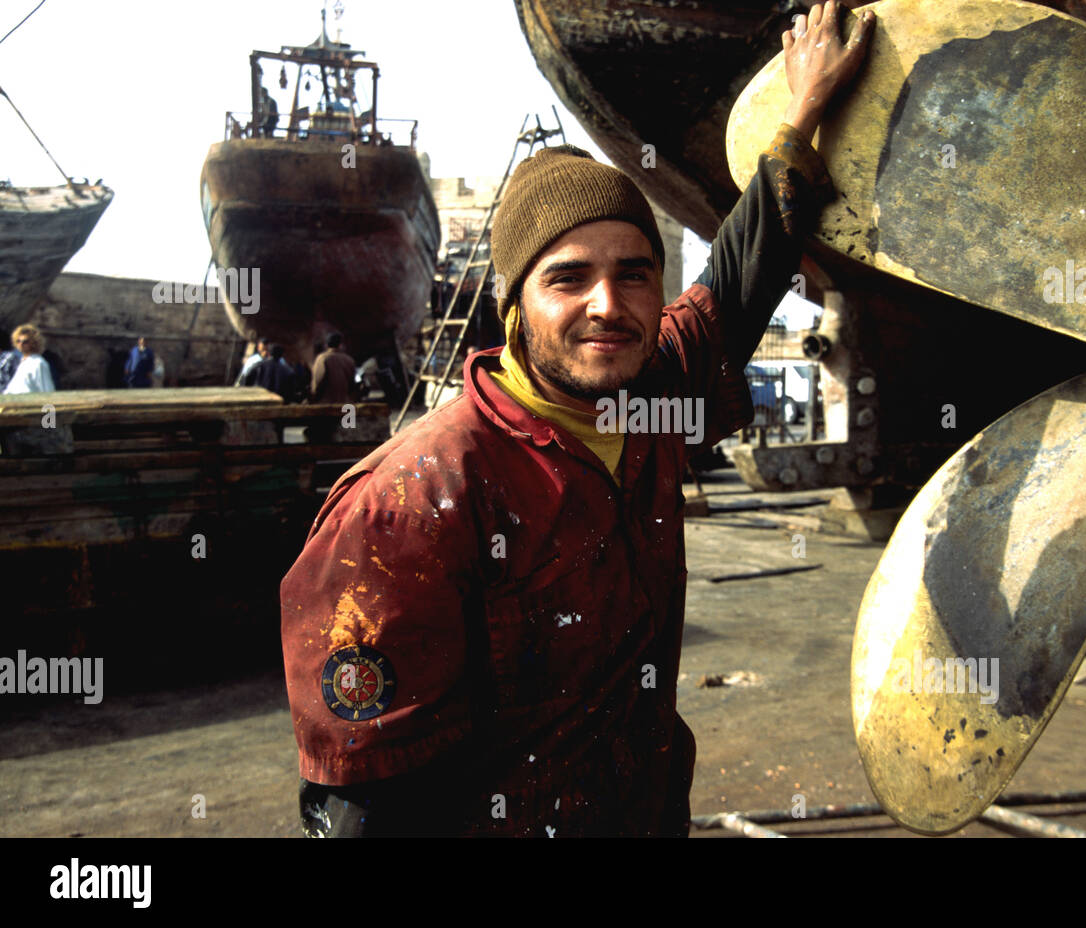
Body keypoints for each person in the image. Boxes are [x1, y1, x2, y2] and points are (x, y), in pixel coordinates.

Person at [281, 1, 872, 837]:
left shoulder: (649, 401)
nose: (608, 305)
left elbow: (739, 282)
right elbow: (362, 806)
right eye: (568, 278)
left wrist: (803, 113)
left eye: (635, 274)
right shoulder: (411, 503)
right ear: (513, 302)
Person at [3, 325, 56, 394]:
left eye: (25, 342)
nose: (21, 344)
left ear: (33, 343)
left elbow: (47, 391)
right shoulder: (22, 363)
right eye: (18, 341)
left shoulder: (38, 363)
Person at [310, 333, 358, 404]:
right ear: (340, 344)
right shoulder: (349, 360)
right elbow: (352, 385)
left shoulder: (322, 359)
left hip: (325, 405)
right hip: (344, 404)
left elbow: (317, 383)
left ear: (327, 345)